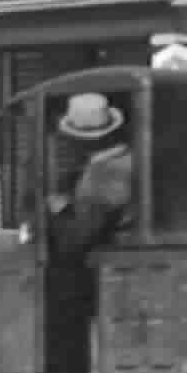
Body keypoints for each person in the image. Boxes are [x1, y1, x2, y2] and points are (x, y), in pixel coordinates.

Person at [50, 92, 136, 254]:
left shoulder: (102, 175)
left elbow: (79, 239)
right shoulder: (130, 159)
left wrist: (60, 211)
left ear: (80, 140)